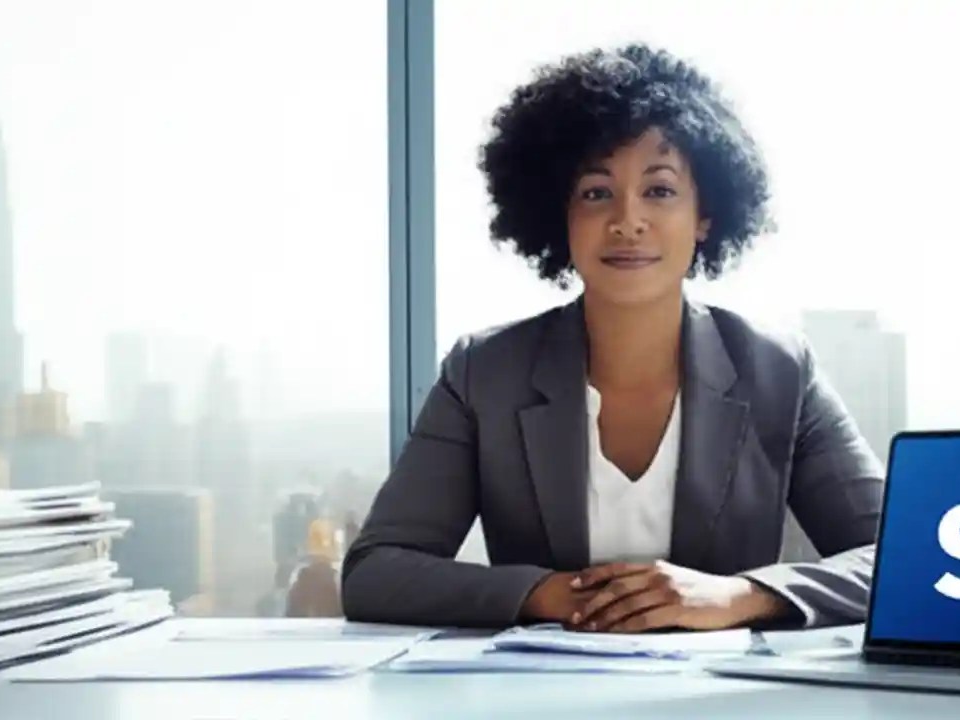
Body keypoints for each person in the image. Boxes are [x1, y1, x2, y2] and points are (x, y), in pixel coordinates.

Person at [342, 44, 884, 632]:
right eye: (596, 193)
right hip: (541, 682)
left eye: (660, 191)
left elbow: (899, 559)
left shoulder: (780, 371)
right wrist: (548, 594)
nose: (627, 221)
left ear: (705, 215)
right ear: (560, 214)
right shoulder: (483, 373)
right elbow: (377, 571)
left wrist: (738, 597)